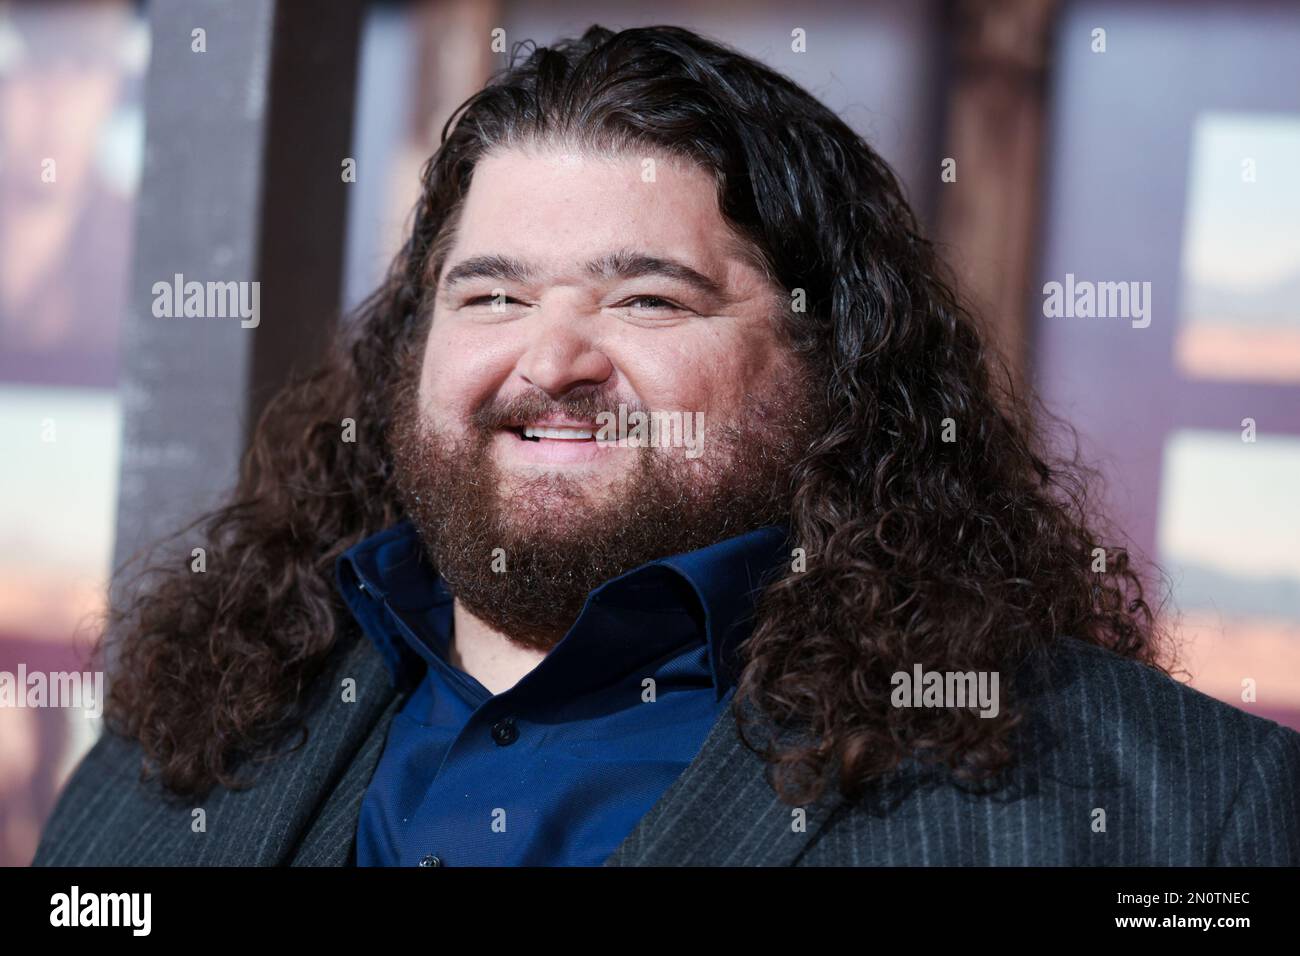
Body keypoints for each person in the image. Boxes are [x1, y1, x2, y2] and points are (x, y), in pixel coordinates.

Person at [33, 24, 1300, 867]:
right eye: (491, 295)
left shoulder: (1171, 811)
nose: (549, 359)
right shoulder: (189, 739)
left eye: (646, 297)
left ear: (830, 359)